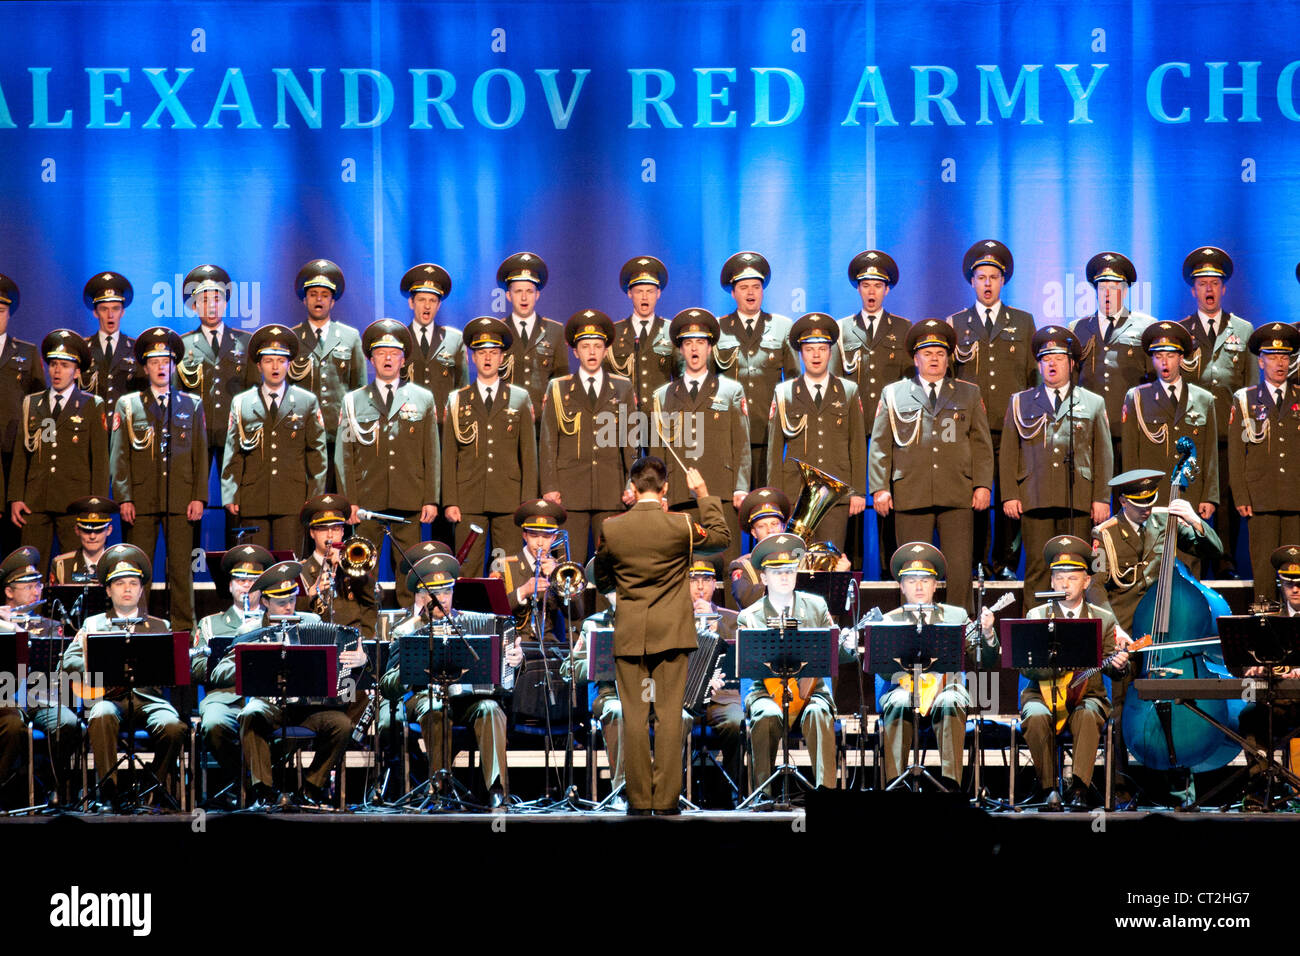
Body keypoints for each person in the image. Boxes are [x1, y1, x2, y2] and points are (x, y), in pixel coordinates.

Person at [594, 456, 729, 814]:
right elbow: (719, 539)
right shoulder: (681, 524)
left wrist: (622, 591)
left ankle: (638, 801)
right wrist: (703, 494)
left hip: (630, 635)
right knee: (670, 716)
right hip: (672, 635)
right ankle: (667, 801)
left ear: (632, 488)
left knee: (635, 717)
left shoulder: (612, 527)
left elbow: (602, 577)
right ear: (666, 487)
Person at [1091, 468, 1224, 799]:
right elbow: (1095, 589)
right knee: (1121, 710)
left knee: (1180, 703)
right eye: (1139, 504)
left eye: (1151, 501)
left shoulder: (1167, 520)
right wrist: (1114, 629)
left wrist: (1194, 520)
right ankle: (1120, 791)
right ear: (1122, 500)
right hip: (1127, 636)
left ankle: (1179, 788)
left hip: (1165, 630)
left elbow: (1214, 550)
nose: (1147, 508)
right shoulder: (1104, 533)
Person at [378, 552, 521, 808]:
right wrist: (411, 668)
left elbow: (502, 672)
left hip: (466, 699)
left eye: (447, 591)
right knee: (435, 707)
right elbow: (387, 684)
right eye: (435, 593)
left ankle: (497, 789)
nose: (442, 599)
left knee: (491, 709)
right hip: (423, 698)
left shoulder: (476, 621)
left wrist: (514, 660)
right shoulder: (406, 630)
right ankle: (438, 787)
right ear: (422, 596)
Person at [870, 319, 994, 612]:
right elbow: (879, 445)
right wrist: (879, 489)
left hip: (957, 493)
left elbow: (981, 445)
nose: (934, 359)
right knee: (913, 570)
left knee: (960, 568)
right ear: (916, 358)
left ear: (948, 357)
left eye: (940, 353)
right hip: (910, 494)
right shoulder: (894, 393)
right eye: (927, 353)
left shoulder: (968, 393)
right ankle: (912, 628)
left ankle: (960, 629)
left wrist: (982, 485)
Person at [62, 544, 187, 811]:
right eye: (119, 583)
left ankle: (152, 788)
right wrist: (100, 670)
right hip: (108, 698)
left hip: (147, 698)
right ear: (108, 590)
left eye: (133, 583)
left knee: (174, 726)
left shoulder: (159, 626)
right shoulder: (92, 624)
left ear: (141, 589)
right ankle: (110, 792)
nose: (127, 588)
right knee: (100, 715)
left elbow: (174, 669)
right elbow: (68, 662)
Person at [234, 560, 365, 808]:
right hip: (270, 705)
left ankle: (311, 788)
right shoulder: (249, 629)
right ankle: (263, 791)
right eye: (281, 602)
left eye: (292, 600)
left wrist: (360, 659)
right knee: (250, 714)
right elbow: (231, 668)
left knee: (342, 725)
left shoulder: (310, 620)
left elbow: (341, 657)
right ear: (265, 602)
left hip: (308, 707)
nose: (288, 607)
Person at [1000, 326, 1113, 603]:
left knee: (1076, 569)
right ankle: (1034, 635)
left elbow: (1103, 454)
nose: (1052, 364)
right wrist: (1010, 494)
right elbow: (1008, 453)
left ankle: (1074, 633)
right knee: (1038, 568)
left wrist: (1101, 497)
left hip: (1078, 499)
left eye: (1059, 358)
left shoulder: (1092, 403)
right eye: (1046, 358)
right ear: (1039, 364)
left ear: (1072, 363)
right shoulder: (1020, 402)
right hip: (1034, 497)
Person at [1017, 535, 1130, 808]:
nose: (1064, 583)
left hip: (1088, 695)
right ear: (1051, 581)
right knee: (1035, 715)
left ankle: (1079, 789)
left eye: (1072, 577)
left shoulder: (1102, 619)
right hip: (1041, 696)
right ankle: (1048, 789)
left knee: (1088, 714)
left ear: (1087, 581)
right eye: (1058, 577)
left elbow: (1114, 670)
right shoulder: (1036, 615)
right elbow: (1025, 666)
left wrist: (1120, 665)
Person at [949, 240, 1038, 580]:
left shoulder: (1024, 321)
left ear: (1003, 281)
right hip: (970, 431)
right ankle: (975, 563)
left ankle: (1005, 565)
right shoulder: (956, 324)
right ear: (972, 282)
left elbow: (1033, 378)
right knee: (973, 502)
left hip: (1013, 429)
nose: (987, 284)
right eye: (981, 277)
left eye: (994, 277)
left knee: (1009, 502)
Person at [110, 327, 208, 634]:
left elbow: (200, 455)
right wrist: (124, 496)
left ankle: (184, 635)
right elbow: (119, 456)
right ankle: (139, 630)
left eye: (166, 360)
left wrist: (198, 497)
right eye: (154, 361)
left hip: (181, 500)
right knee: (140, 571)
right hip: (140, 501)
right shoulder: (128, 405)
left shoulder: (191, 404)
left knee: (181, 570)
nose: (161, 366)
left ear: (174, 364)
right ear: (145, 366)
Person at [335, 319, 440, 605]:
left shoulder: (423, 398)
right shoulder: (353, 400)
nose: (388, 358)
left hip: (410, 497)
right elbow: (344, 456)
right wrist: (350, 502)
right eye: (381, 353)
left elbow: (431, 453)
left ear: (403, 358)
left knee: (410, 570)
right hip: (368, 502)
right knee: (361, 570)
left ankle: (410, 628)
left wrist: (430, 498)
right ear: (371, 359)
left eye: (394, 353)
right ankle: (363, 629)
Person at [877, 542, 997, 788]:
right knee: (900, 701)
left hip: (947, 688)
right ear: (901, 586)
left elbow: (986, 660)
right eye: (911, 580)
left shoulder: (956, 616)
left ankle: (950, 784)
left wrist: (987, 634)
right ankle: (896, 784)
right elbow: (883, 670)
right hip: (902, 688)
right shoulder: (888, 620)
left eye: (925, 580)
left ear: (935, 584)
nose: (919, 586)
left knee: (950, 701)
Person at [737, 533, 844, 798]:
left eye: (790, 570)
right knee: (765, 715)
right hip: (764, 690)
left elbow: (835, 656)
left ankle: (826, 793)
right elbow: (748, 668)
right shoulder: (749, 617)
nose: (785, 576)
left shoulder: (817, 606)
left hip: (811, 691)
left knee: (820, 713)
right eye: (776, 572)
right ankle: (763, 794)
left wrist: (845, 644)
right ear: (763, 578)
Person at [649, 308, 750, 583]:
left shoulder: (730, 390)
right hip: (679, 493)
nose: (695, 349)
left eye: (701, 343)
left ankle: (730, 623)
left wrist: (741, 487)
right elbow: (658, 451)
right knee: (683, 568)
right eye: (689, 343)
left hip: (721, 491)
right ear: (681, 350)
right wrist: (660, 493)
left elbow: (741, 444)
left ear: (710, 348)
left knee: (729, 567)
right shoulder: (663, 395)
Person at [830, 250, 913, 574]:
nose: (871, 291)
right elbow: (835, 384)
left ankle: (894, 583)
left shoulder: (905, 329)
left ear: (887, 289)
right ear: (858, 288)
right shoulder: (841, 331)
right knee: (848, 512)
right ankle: (850, 584)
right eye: (865, 285)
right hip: (850, 436)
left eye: (877, 285)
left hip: (893, 436)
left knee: (888, 509)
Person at [1178, 247, 1254, 576]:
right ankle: (1191, 568)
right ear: (1193, 290)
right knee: (1192, 502)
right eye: (1202, 283)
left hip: (1227, 435)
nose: (1208, 289)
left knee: (1225, 507)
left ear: (1224, 289)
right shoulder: (1180, 333)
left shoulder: (1244, 329)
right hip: (1192, 438)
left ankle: (1226, 566)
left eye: (1214, 283)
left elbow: (1251, 390)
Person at [441, 317, 538, 576]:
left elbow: (528, 456)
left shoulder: (519, 398)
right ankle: (467, 618)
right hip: (468, 499)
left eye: (493, 353)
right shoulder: (457, 400)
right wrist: (450, 501)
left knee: (507, 571)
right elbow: (449, 456)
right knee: (467, 567)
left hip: (509, 500)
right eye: (482, 353)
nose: (487, 358)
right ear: (473, 357)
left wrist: (526, 503)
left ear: (502, 358)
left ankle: (508, 617)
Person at [1119, 321, 1219, 572]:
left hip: (1189, 497)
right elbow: (1130, 455)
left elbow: (1209, 454)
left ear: (1181, 358)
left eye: (1171, 355)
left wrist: (1210, 496)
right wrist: (1133, 499)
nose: (1164, 362)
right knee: (1150, 568)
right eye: (1158, 356)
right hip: (1150, 499)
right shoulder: (1137, 397)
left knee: (1189, 567)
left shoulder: (1203, 399)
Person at [539, 310, 636, 564]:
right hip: (570, 493)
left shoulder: (623, 387)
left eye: (597, 346)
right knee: (568, 566)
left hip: (612, 490)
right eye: (585, 346)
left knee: (610, 566)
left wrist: (631, 484)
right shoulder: (558, 388)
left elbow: (631, 443)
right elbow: (549, 441)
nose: (592, 352)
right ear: (575, 351)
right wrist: (550, 487)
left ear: (606, 351)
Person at [9, 330, 109, 577]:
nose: (57, 371)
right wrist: (16, 497)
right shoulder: (32, 403)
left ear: (76, 371)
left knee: (74, 572)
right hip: (35, 501)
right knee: (30, 571)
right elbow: (23, 455)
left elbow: (100, 462)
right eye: (53, 364)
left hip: (74, 502)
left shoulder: (91, 405)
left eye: (64, 366)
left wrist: (94, 507)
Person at [766, 312, 868, 552]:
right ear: (800, 354)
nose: (816, 355)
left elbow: (857, 446)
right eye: (809, 349)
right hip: (796, 495)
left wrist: (858, 492)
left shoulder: (848, 391)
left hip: (836, 497)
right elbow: (773, 452)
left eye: (822, 349)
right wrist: (776, 498)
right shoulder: (784, 393)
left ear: (830, 353)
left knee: (831, 562)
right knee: (795, 562)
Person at [221, 324, 327, 551]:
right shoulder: (242, 402)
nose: (275, 366)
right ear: (259, 365)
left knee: (288, 566)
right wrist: (231, 493)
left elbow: (317, 454)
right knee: (253, 567)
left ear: (289, 364)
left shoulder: (306, 401)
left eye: (281, 360)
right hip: (253, 498)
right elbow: (233, 452)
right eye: (269, 361)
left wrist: (314, 498)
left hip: (292, 500)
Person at [190, 544, 273, 807]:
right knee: (214, 722)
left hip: (268, 697)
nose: (246, 586)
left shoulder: (277, 619)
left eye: (253, 581)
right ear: (230, 586)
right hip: (225, 696)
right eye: (240, 580)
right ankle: (240, 782)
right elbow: (196, 669)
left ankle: (267, 786)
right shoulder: (210, 624)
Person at [175, 264, 258, 517]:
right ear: (194, 306)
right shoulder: (182, 344)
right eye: (204, 300)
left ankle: (239, 557)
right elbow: (178, 396)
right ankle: (191, 557)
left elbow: (254, 392)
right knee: (191, 503)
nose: (211, 306)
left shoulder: (245, 342)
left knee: (237, 505)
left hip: (235, 434)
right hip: (194, 435)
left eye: (217, 299)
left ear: (225, 304)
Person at [0, 546, 80, 808]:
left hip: (41, 696)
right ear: (9, 591)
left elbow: (58, 671)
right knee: (12, 726)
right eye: (28, 586)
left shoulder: (51, 626)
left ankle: (51, 786)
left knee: (67, 722)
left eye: (38, 585)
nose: (36, 591)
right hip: (6, 696)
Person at [712, 252, 799, 487]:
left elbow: (794, 383)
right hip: (728, 431)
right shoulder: (718, 329)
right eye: (743, 287)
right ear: (733, 292)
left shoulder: (782, 327)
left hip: (767, 431)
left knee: (765, 503)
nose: (751, 293)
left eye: (756, 286)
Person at [1228, 323, 1300, 601]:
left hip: (1295, 495)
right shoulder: (1245, 399)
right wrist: (1241, 495)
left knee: (1296, 565)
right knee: (1263, 565)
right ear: (1261, 361)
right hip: (1261, 496)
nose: (1279, 363)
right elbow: (1236, 453)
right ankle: (1264, 619)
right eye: (1272, 357)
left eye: (1285, 357)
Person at [1069, 252, 1156, 473]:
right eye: (1102, 288)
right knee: (1091, 499)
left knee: (1128, 498)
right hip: (1089, 428)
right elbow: (1070, 382)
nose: (1107, 294)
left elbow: (1155, 382)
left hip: (1129, 428)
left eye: (1114, 288)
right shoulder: (1077, 328)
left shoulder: (1146, 327)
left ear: (1125, 291)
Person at [287, 259, 367, 489]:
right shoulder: (292, 338)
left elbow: (359, 390)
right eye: (313, 294)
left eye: (324, 294)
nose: (319, 299)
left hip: (339, 433)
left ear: (333, 301)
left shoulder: (350, 337)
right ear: (304, 299)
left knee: (341, 495)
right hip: (301, 433)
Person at [1238, 546, 1300, 809]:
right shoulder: (1268, 622)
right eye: (1289, 584)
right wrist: (1254, 667)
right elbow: (1244, 661)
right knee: (1251, 716)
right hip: (1281, 702)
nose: (1295, 590)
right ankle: (1261, 786)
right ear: (1280, 585)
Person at [688, 560, 744, 806]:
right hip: (686, 698)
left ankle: (735, 792)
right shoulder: (673, 619)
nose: (700, 587)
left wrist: (714, 628)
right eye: (693, 581)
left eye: (706, 581)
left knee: (737, 721)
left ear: (714, 584)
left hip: (723, 697)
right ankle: (676, 792)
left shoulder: (733, 620)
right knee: (673, 721)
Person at [0, 273, 46, 555]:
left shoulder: (27, 354)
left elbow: (41, 405)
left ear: (9, 313)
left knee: (15, 530)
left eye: (1, 311)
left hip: (15, 454)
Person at [496, 252, 566, 425]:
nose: (524, 297)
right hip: (506, 421)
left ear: (537, 295)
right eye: (518, 291)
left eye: (529, 291)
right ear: (508, 296)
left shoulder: (554, 331)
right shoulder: (497, 330)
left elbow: (561, 381)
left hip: (543, 423)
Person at [296, 494, 377, 638]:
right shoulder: (301, 571)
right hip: (317, 642)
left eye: (336, 528)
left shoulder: (353, 565)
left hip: (352, 642)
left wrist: (348, 568)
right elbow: (295, 615)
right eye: (322, 529)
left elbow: (373, 601)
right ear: (312, 533)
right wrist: (312, 596)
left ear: (343, 531)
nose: (330, 535)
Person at [607, 256, 679, 411]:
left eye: (650, 291)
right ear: (630, 294)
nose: (645, 297)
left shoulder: (671, 330)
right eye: (639, 291)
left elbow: (682, 378)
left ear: (658, 294)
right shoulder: (614, 332)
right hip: (624, 418)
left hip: (661, 418)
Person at [400, 262, 467, 418]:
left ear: (439, 305)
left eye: (432, 301)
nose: (427, 306)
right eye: (422, 300)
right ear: (411, 303)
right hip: (408, 424)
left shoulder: (454, 339)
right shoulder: (399, 339)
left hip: (443, 426)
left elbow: (462, 388)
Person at [81, 272, 143, 408]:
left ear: (122, 312)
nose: (110, 315)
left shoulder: (136, 349)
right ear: (95, 312)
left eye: (115, 309)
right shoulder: (82, 349)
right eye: (104, 309)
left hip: (125, 425)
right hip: (92, 425)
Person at [728, 487, 793, 610]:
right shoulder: (742, 565)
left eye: (774, 524)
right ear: (753, 532)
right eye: (762, 526)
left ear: (783, 527)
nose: (770, 530)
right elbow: (746, 599)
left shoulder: (798, 558)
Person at [50, 495, 117, 584]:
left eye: (98, 530)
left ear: (109, 530)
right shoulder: (62, 565)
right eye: (87, 530)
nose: (92, 536)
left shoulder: (118, 564)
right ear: (77, 530)